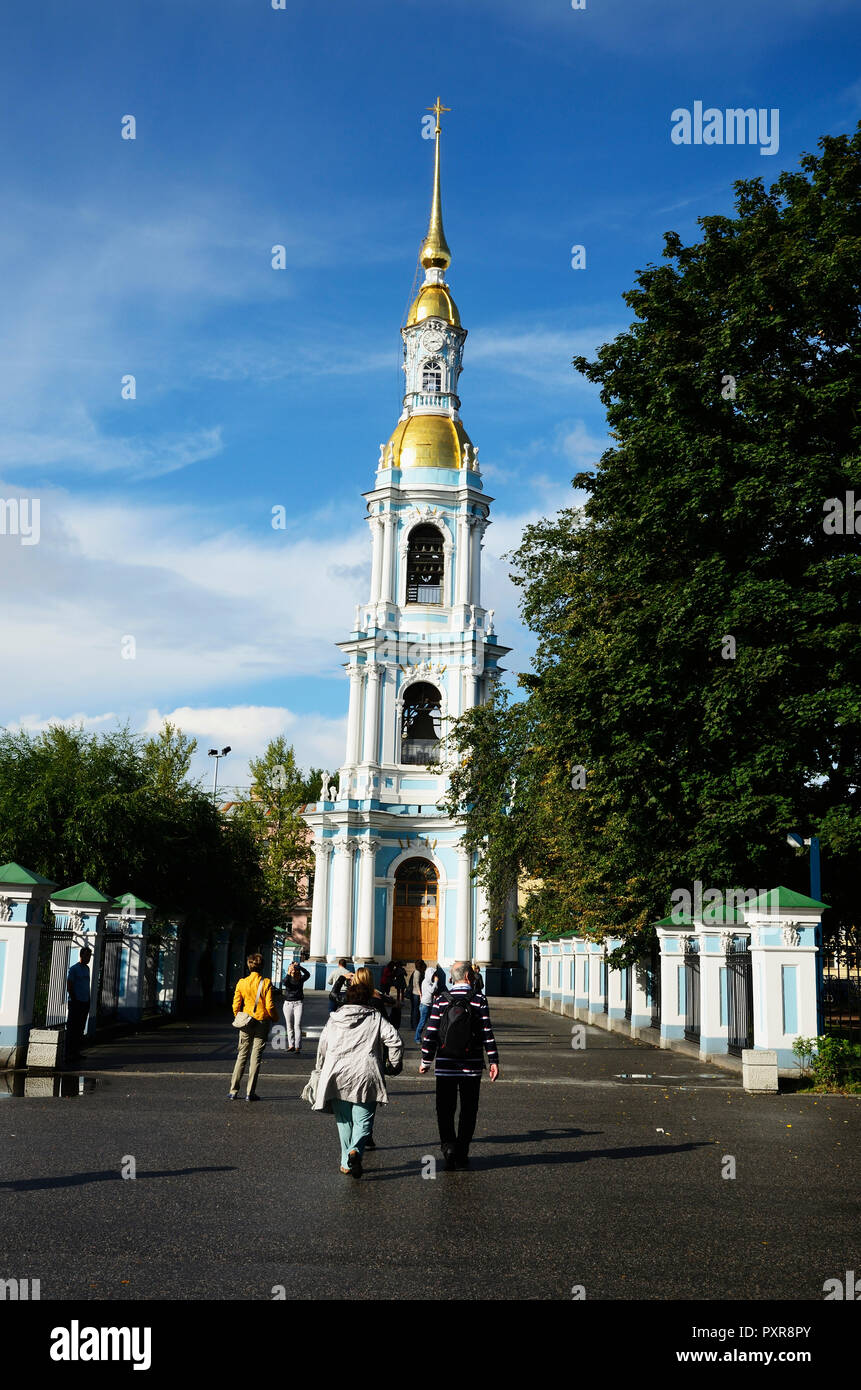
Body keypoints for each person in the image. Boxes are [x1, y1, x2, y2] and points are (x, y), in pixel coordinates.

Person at [313, 976, 402, 1177]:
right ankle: (355, 1150)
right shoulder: (375, 1017)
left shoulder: (334, 1018)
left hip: (336, 1075)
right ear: (366, 1000)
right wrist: (394, 1065)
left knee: (344, 1121)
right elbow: (395, 1041)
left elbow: (323, 1046)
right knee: (363, 1121)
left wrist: (321, 1068)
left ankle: (346, 1161)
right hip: (365, 1074)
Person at [419, 960, 499, 1170]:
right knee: (469, 1109)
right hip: (471, 1066)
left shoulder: (441, 1000)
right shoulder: (479, 999)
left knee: (444, 1109)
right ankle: (462, 1152)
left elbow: (432, 1032)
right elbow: (486, 1032)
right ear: (468, 977)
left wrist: (426, 1060)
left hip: (445, 1064)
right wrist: (493, 1061)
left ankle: (448, 1147)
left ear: (452, 978)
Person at [229, 953, 280, 1101]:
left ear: (249, 966)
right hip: (261, 1022)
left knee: (241, 1055)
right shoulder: (266, 983)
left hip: (246, 1021)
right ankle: (250, 1092)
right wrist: (275, 1018)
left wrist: (239, 1016)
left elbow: (236, 1005)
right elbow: (269, 1005)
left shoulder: (242, 982)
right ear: (262, 966)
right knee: (255, 1057)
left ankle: (233, 1090)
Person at [65, 946, 92, 1064]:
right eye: (87, 956)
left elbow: (87, 986)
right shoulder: (74, 969)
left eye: (90, 956)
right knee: (72, 1028)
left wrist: (88, 1000)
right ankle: (68, 1054)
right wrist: (74, 999)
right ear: (81, 956)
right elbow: (70, 985)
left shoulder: (87, 969)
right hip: (76, 1002)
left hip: (85, 1002)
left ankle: (76, 1052)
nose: (88, 958)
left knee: (80, 1029)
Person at [282, 961, 310, 1054]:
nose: (293, 968)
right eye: (291, 967)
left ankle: (297, 1046)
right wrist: (289, 973)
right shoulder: (288, 978)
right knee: (289, 1025)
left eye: (294, 967)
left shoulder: (301, 978)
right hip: (288, 1004)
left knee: (297, 1025)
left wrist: (300, 966)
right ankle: (291, 1045)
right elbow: (285, 982)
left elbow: (308, 974)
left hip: (298, 1003)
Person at [415, 963, 435, 1044]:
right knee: (422, 1022)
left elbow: (434, 989)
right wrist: (436, 982)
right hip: (425, 1005)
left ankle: (430, 1037)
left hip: (429, 1005)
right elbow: (432, 990)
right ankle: (417, 1038)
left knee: (431, 1022)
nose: (434, 977)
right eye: (433, 975)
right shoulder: (426, 982)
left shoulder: (429, 982)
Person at [407, 959, 426, 1032]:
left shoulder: (420, 972)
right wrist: (420, 993)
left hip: (417, 994)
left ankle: (415, 1025)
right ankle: (414, 1026)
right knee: (415, 1010)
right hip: (416, 994)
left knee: (415, 1010)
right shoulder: (417, 972)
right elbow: (416, 984)